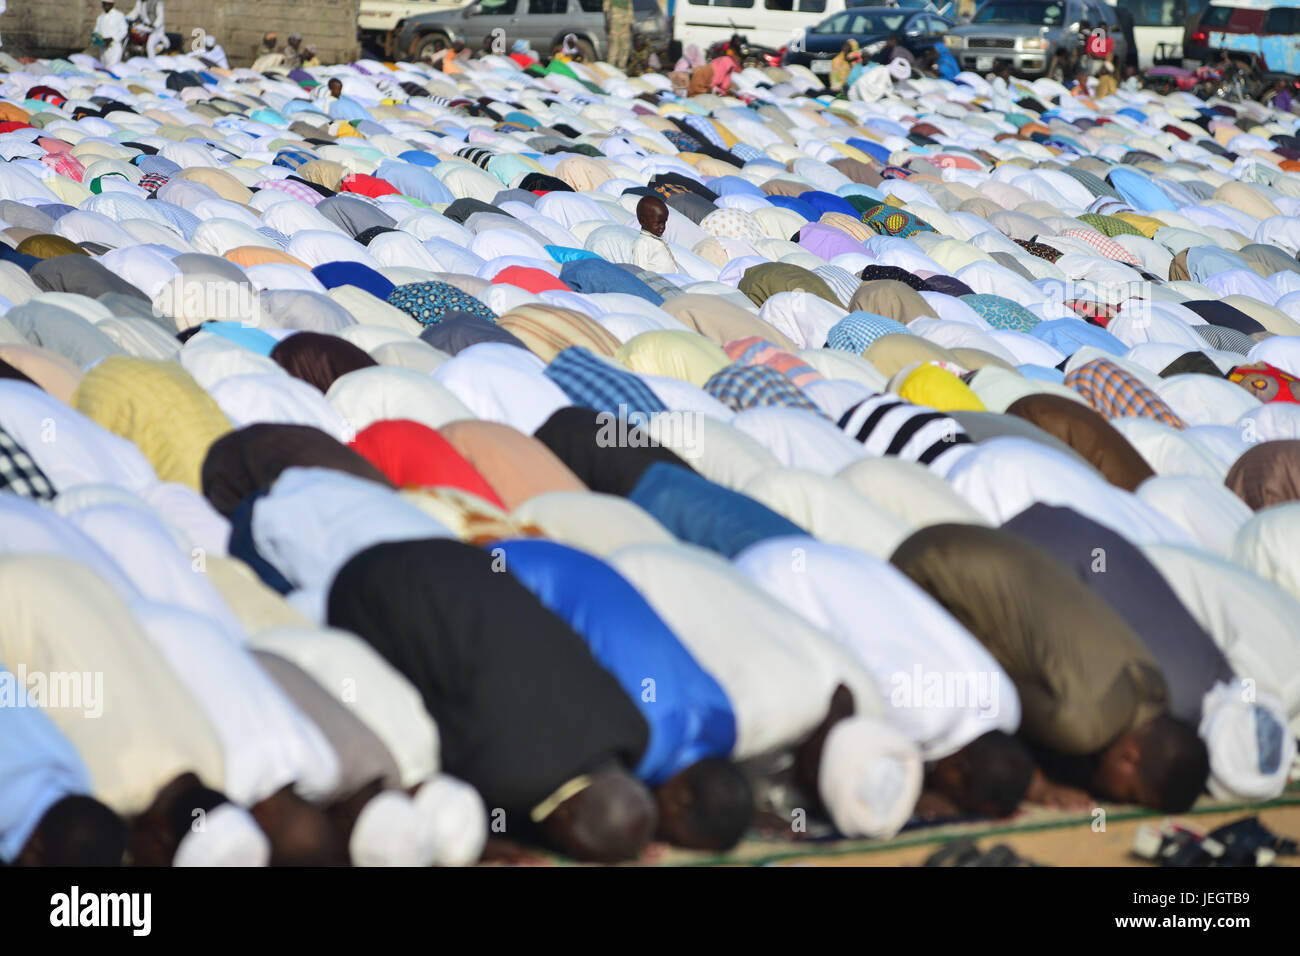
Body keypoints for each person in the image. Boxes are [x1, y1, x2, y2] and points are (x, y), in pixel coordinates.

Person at [327, 538, 658, 862]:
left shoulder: (634, 729)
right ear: (566, 814)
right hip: (370, 585)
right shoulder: (506, 780)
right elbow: (459, 799)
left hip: (464, 558)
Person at [892, 524, 1211, 813]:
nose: (1118, 801)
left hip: (956, 542)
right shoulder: (1085, 728)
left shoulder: (1155, 688)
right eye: (1129, 795)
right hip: (925, 575)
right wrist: (1036, 783)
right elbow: (998, 701)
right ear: (1129, 756)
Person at [631, 195, 680, 274]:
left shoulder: (657, 239)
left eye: (664, 222)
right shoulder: (642, 244)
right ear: (642, 221)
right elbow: (641, 273)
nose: (662, 227)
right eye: (658, 223)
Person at [91, 0, 129, 68]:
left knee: (113, 68)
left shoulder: (119, 15)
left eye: (108, 4)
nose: (106, 6)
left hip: (114, 47)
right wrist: (99, 39)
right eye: (104, 4)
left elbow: (124, 31)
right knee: (104, 68)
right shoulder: (100, 17)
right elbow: (96, 31)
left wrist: (112, 38)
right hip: (103, 47)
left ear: (112, 4)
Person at [604, 0, 633, 70]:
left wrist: (631, 24)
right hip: (614, 25)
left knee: (625, 47)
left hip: (625, 25)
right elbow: (606, 9)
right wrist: (607, 22)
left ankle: (622, 67)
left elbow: (630, 9)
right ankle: (611, 68)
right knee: (614, 47)